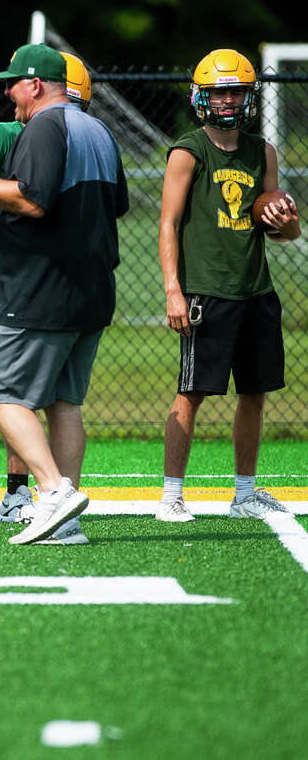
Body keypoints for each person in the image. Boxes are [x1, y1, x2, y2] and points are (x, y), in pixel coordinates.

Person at [0, 43, 129, 545]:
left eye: (13, 83)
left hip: (42, 290)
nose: (8, 93)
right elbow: (116, 203)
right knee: (63, 402)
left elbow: (31, 200)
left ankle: (53, 492)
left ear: (35, 84)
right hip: (92, 290)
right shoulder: (97, 129)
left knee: (0, 393)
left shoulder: (46, 125)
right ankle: (64, 519)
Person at [156, 49, 300, 523]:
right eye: (219, 91)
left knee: (255, 393)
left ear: (249, 95)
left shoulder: (264, 152)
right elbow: (168, 224)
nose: (227, 99)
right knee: (191, 392)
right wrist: (174, 290)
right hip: (206, 290)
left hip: (255, 290)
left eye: (236, 90)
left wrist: (285, 219)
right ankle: (172, 494)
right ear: (202, 96)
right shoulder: (188, 150)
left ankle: (245, 492)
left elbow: (283, 234)